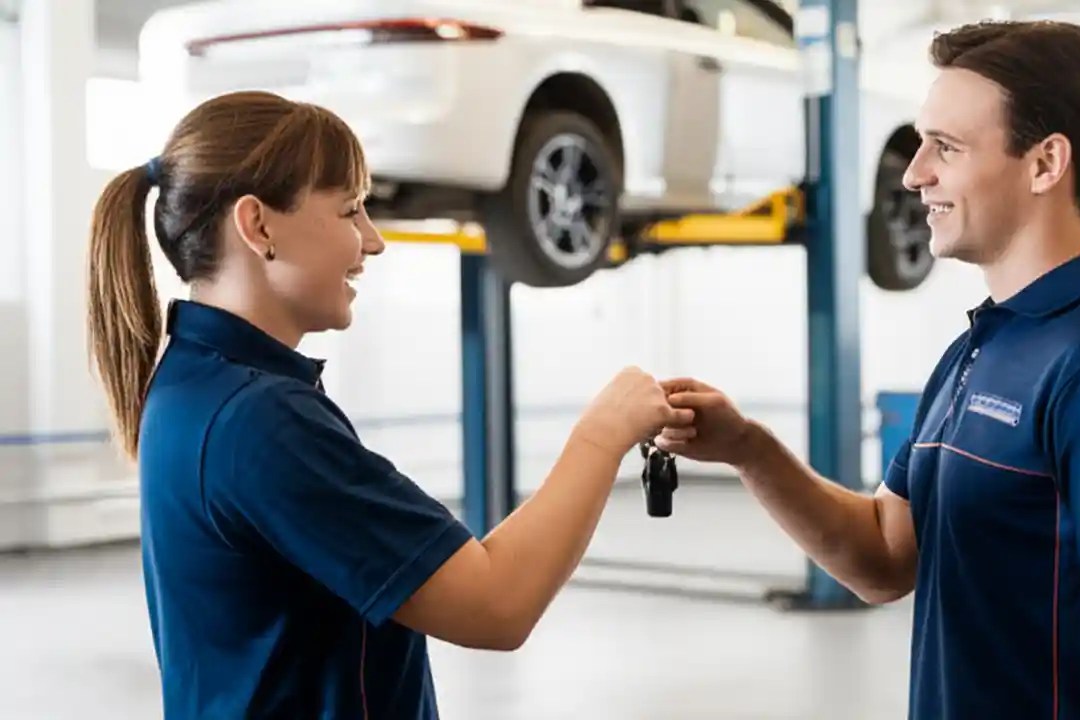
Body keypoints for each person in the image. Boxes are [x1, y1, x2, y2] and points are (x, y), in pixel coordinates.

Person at [656, 20, 1080, 720]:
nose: (913, 172)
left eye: (946, 148)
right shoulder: (985, 346)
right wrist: (748, 449)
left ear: (1046, 164)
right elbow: (884, 554)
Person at [85, 89, 692, 719]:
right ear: (258, 225)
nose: (372, 241)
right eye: (350, 211)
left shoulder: (192, 383)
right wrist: (603, 432)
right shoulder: (259, 421)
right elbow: (497, 605)